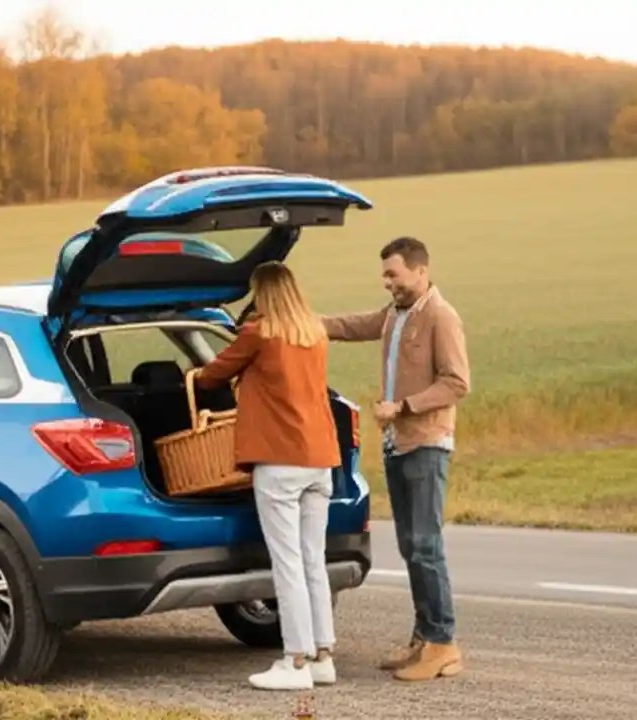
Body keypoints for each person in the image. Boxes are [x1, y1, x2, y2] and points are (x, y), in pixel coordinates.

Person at [321, 236, 470, 682]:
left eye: (394, 274)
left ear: (421, 270)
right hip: (397, 444)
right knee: (410, 545)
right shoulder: (395, 314)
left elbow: (457, 383)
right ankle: (423, 638)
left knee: (425, 545)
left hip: (426, 442)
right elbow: (352, 325)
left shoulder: (441, 316)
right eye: (385, 275)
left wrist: (403, 407)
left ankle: (442, 643)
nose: (388, 283)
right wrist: (306, 322)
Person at [193, 261, 342, 691]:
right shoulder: (313, 334)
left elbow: (212, 375)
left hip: (279, 461)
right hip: (319, 459)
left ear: (262, 294)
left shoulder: (259, 333)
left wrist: (196, 376)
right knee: (313, 560)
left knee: (287, 562)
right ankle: (323, 656)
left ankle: (294, 662)